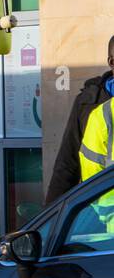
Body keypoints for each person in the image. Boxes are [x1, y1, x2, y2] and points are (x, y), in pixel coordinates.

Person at [47, 35, 114, 202]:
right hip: (98, 211)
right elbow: (67, 163)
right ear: (112, 62)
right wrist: (50, 219)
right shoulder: (88, 102)